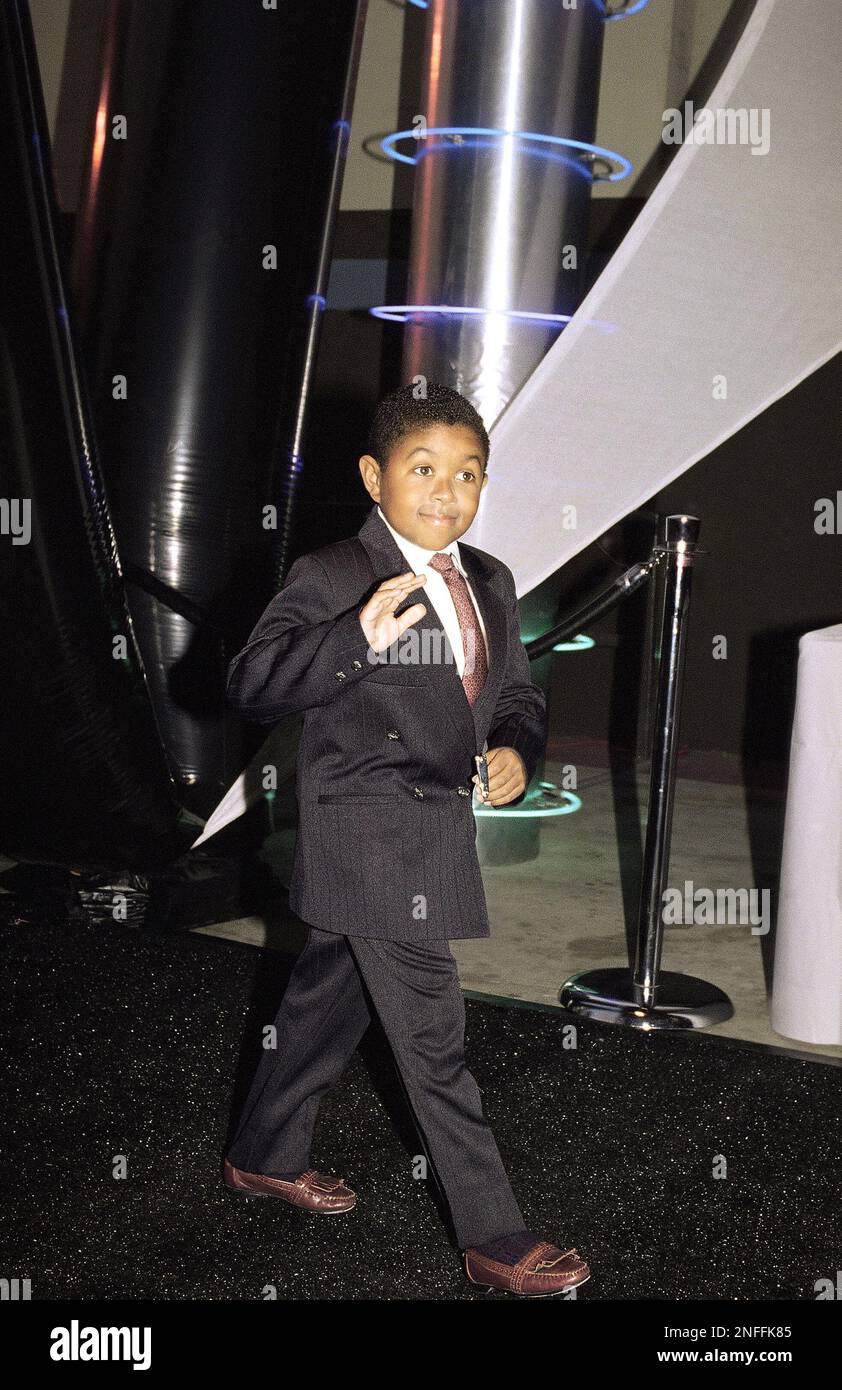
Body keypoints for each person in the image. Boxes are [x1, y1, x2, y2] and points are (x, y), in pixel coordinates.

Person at [222, 382, 590, 1297]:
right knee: (434, 1038)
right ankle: (496, 1236)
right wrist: (354, 637)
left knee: (326, 996)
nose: (446, 490)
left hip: (434, 825)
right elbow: (250, 683)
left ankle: (264, 1152)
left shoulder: (493, 580)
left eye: (468, 474)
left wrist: (515, 748)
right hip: (369, 834)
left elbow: (516, 697)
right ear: (373, 477)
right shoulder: (334, 576)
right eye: (423, 469)